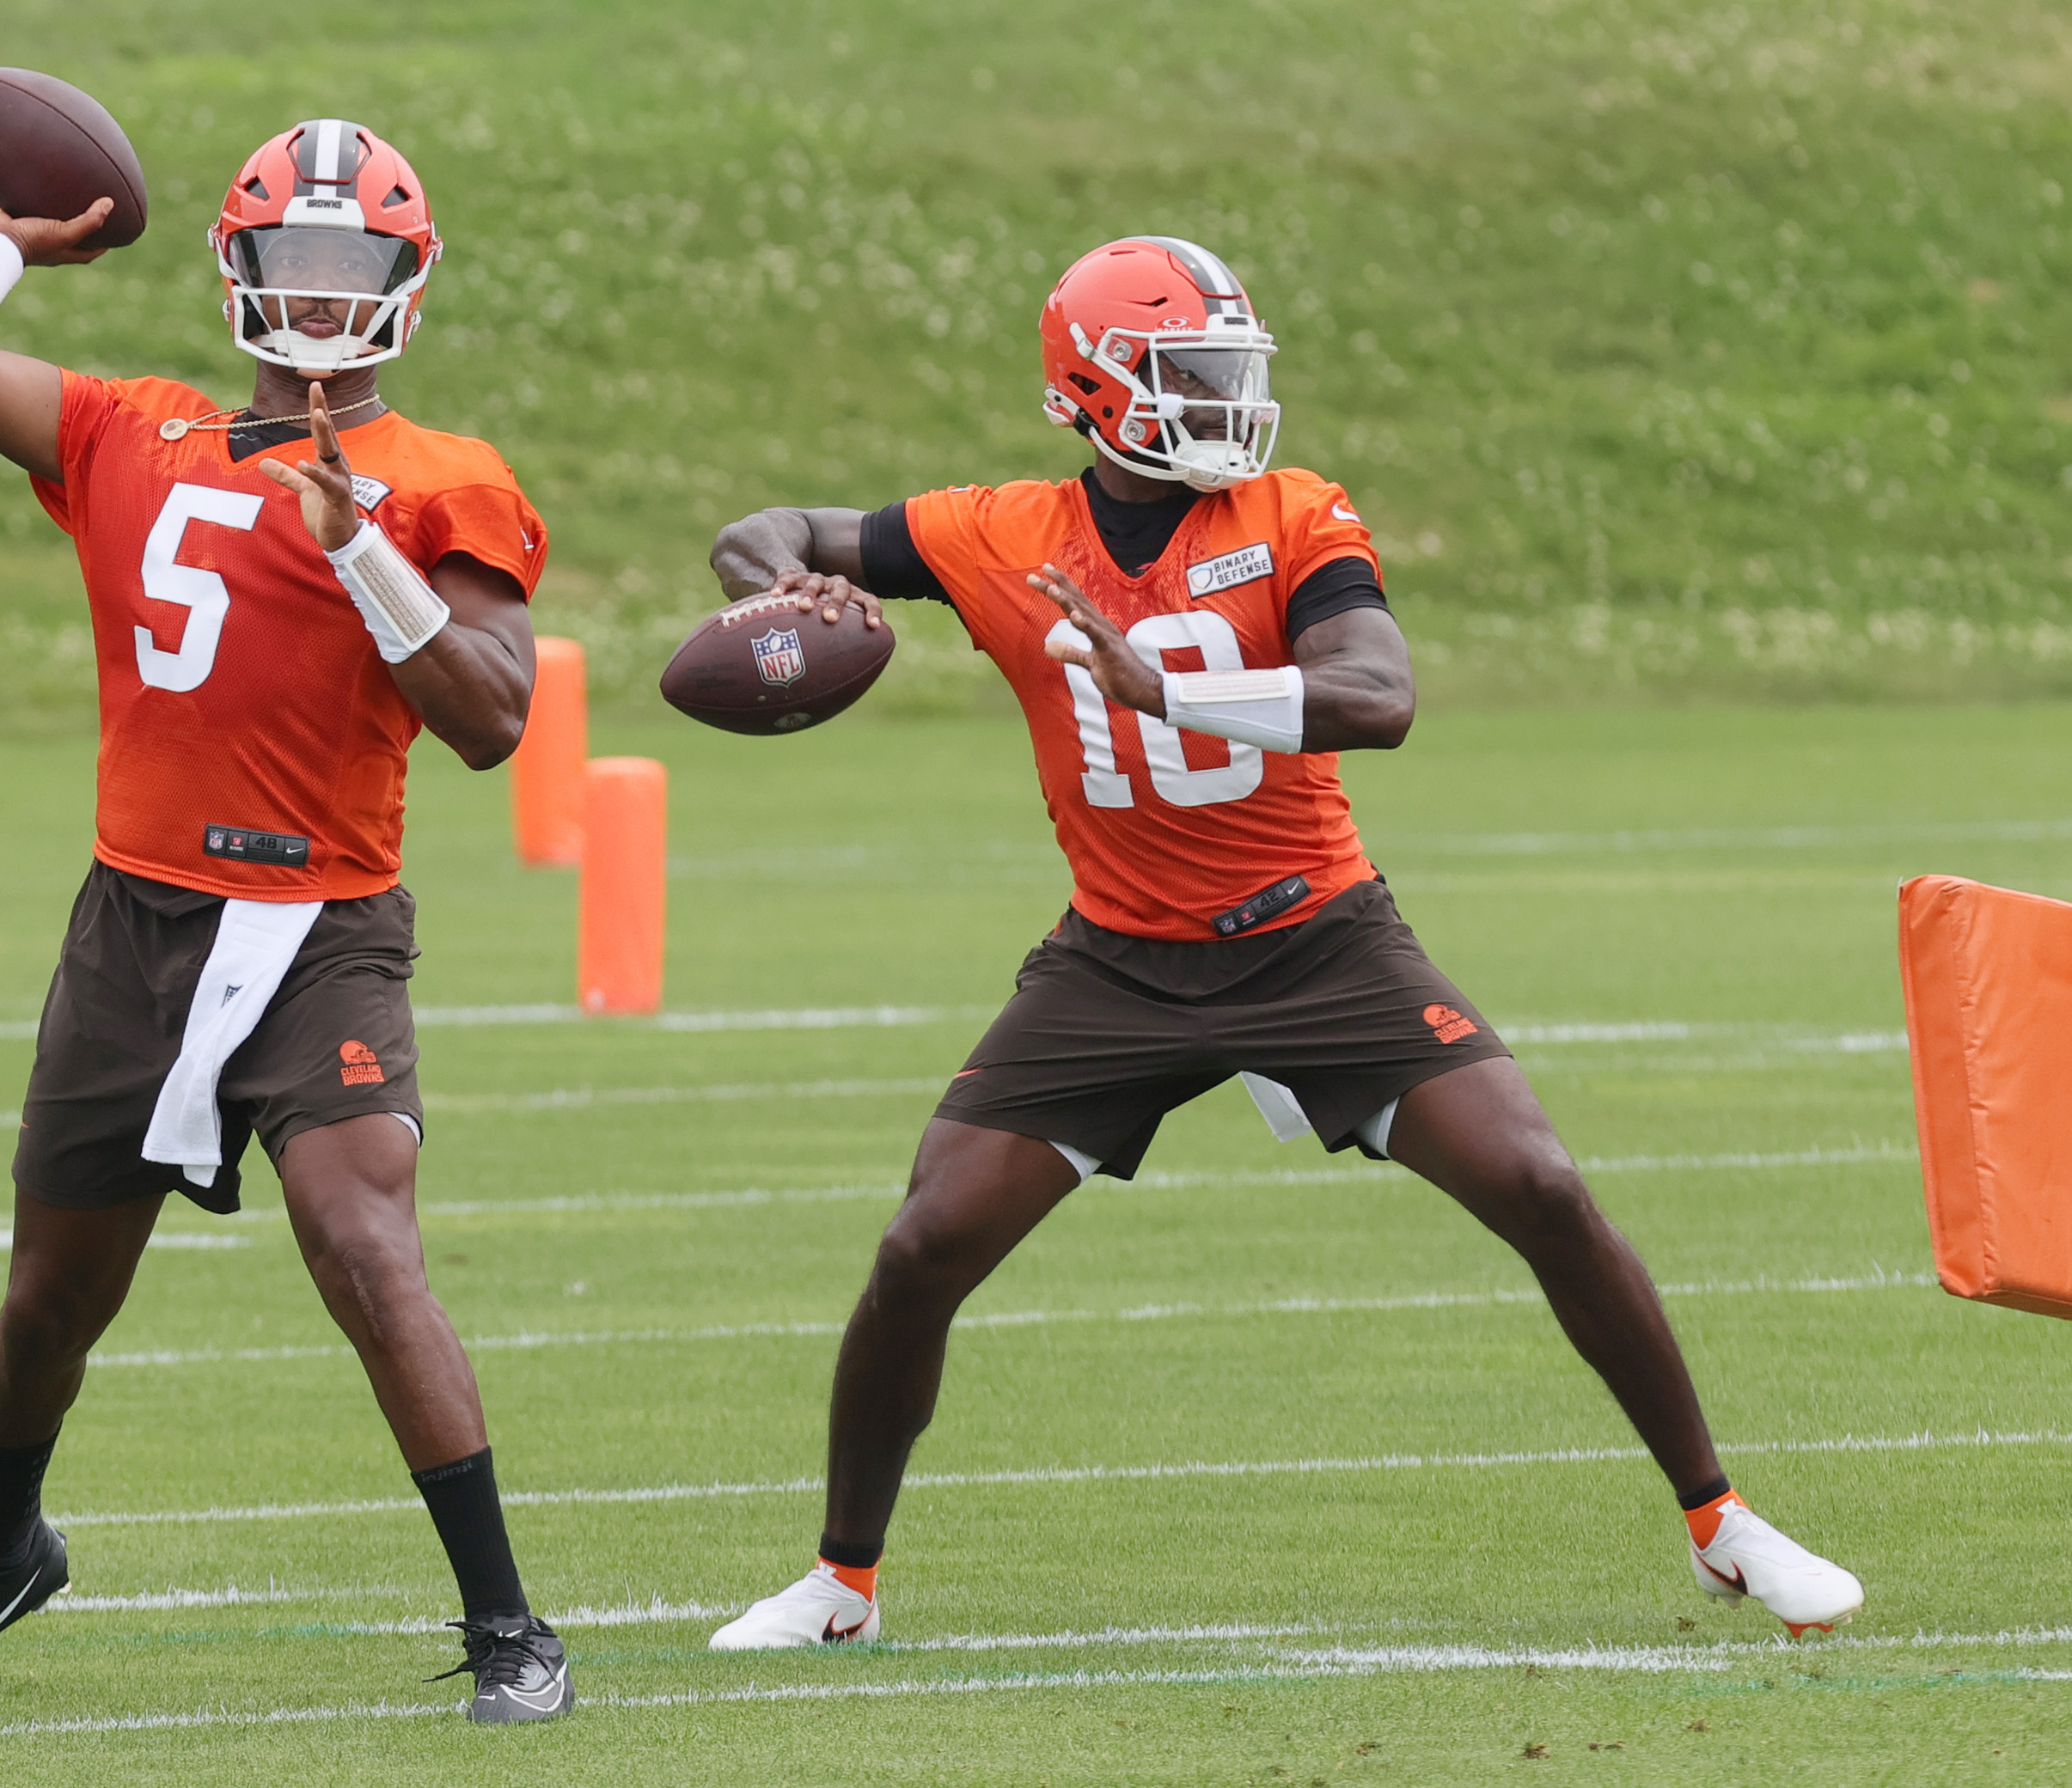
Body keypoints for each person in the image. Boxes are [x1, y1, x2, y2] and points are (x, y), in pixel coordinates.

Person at [700, 235, 1861, 1649]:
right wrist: (791, 586)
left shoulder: (1295, 511)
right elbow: (772, 526)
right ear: (1088, 393)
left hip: (1316, 939)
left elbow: (1378, 695)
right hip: (1118, 958)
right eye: (1183, 372)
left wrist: (1168, 689)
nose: (1217, 398)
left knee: (1541, 1182)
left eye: (1226, 369)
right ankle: (843, 1584)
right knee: (924, 1243)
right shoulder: (999, 531)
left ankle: (1721, 1527)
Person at [0, 117, 571, 1722]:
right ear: (237, 267)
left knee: (363, 1239)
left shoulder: (445, 479)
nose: (319, 298)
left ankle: (511, 1624)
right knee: (51, 1298)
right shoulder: (128, 426)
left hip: (323, 922)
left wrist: (362, 554)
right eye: (294, 263)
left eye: (352, 269)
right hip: (139, 923)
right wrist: (12, 242)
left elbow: (492, 721)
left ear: (405, 282)